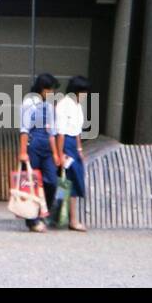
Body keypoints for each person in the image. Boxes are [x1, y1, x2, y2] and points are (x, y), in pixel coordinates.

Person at [18, 73, 61, 233]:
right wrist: (23, 152)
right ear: (42, 89)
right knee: (30, 183)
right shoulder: (29, 103)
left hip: (47, 148)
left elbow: (52, 132)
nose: (52, 93)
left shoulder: (50, 106)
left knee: (51, 182)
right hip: (33, 145)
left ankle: (42, 212)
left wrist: (56, 153)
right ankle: (32, 220)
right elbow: (24, 129)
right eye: (50, 89)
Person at [56, 75, 90, 232]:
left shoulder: (77, 105)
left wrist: (80, 149)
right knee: (68, 181)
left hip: (73, 145)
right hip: (65, 145)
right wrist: (60, 153)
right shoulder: (64, 105)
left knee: (70, 181)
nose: (86, 95)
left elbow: (77, 130)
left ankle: (62, 217)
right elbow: (61, 132)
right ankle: (70, 219)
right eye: (83, 92)